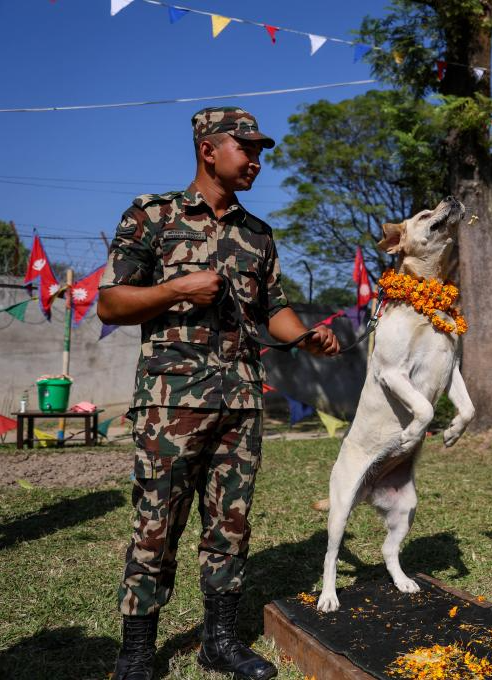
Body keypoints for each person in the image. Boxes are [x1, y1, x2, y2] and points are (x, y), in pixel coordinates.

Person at [98, 106, 340, 680]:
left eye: (260, 151)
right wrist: (177, 286)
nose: (257, 160)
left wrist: (303, 337)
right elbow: (111, 302)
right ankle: (136, 650)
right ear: (209, 149)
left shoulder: (258, 234)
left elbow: (272, 308)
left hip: (241, 399)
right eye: (247, 148)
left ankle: (220, 640)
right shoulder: (152, 216)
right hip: (171, 400)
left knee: (230, 525)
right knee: (156, 524)